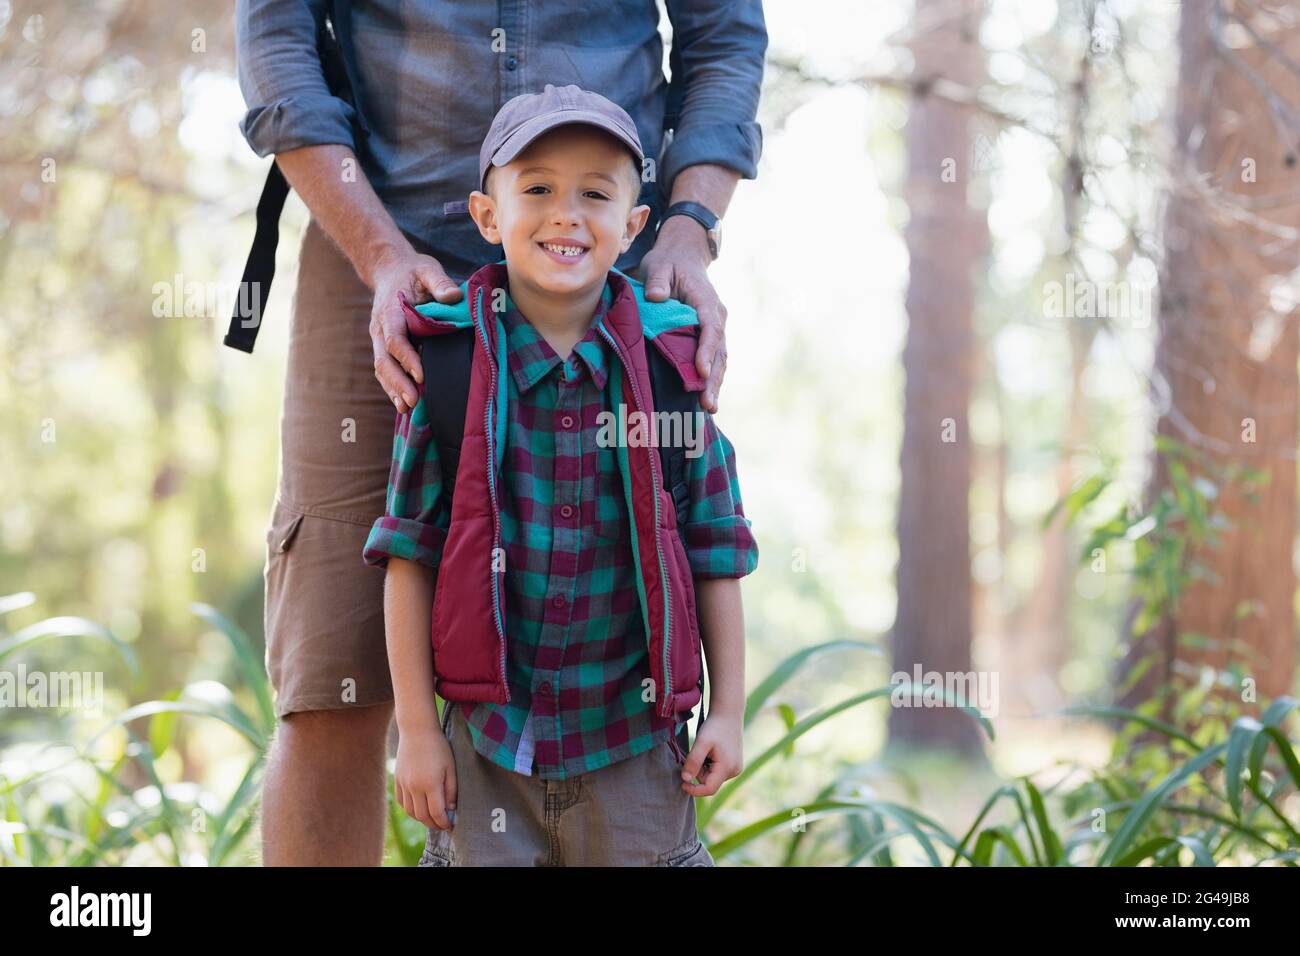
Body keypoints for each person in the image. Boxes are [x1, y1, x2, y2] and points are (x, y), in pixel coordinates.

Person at [234, 0, 766, 865]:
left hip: (606, 274)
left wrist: (689, 227)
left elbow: (726, 34)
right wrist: (378, 255)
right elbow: (276, 38)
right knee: (331, 666)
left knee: (622, 645)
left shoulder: (625, 262)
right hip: (375, 244)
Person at [361, 85, 759, 865]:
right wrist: (415, 731)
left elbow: (716, 551)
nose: (566, 214)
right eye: (537, 189)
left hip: (638, 750)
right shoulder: (448, 376)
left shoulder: (672, 375)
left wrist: (729, 710)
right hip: (488, 752)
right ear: (486, 216)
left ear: (634, 226)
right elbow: (410, 557)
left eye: (595, 194)